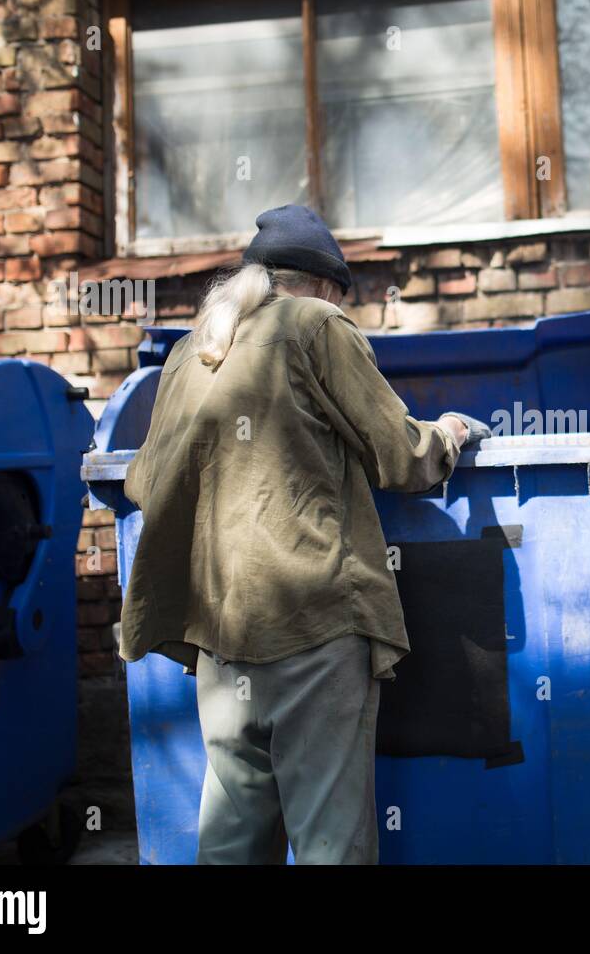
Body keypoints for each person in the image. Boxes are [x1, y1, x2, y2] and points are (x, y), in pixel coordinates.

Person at [118, 204, 490, 864]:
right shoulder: (318, 325)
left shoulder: (191, 349)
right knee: (330, 840)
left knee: (233, 836)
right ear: (324, 285)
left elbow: (147, 483)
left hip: (221, 632)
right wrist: (452, 433)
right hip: (314, 624)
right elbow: (401, 456)